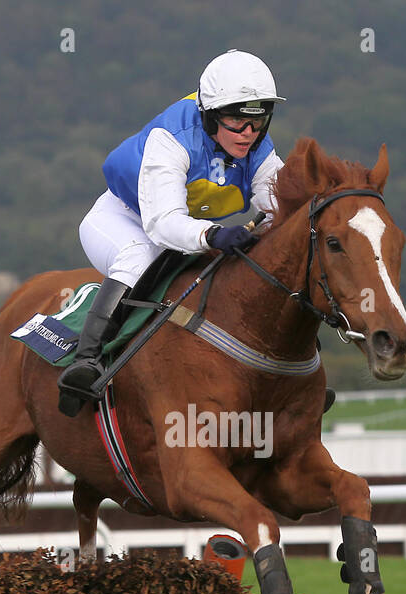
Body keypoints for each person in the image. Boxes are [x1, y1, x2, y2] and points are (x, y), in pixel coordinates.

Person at [57, 49, 285, 416]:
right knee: (139, 256)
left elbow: (281, 206)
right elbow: (162, 225)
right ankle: (85, 363)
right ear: (210, 118)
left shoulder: (259, 148)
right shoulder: (172, 139)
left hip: (187, 232)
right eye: (237, 122)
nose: (248, 134)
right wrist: (213, 236)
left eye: (258, 123)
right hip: (124, 219)